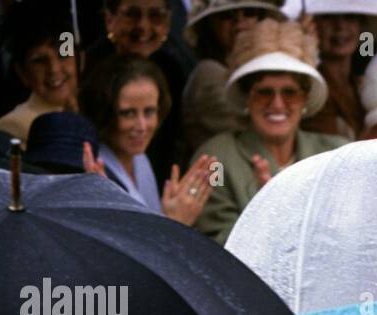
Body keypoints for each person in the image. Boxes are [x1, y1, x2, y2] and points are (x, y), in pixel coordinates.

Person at [192, 17, 346, 243]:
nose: (277, 104)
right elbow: (214, 244)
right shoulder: (216, 161)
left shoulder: (335, 154)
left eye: (289, 92)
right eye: (264, 92)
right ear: (246, 98)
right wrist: (267, 212)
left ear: (305, 98)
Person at [80, 53, 215, 224]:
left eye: (149, 112)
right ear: (104, 113)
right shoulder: (95, 171)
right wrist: (176, 223)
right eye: (128, 113)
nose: (142, 126)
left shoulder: (140, 159)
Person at [84, 0, 195, 183]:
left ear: (168, 22)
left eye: (155, 15)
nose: (143, 26)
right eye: (132, 14)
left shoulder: (177, 69)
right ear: (109, 18)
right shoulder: (86, 68)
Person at [180, 0, 283, 152]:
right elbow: (252, 138)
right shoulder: (208, 72)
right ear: (209, 25)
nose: (239, 22)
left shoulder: (250, 73)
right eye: (226, 15)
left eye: (249, 12)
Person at [300, 0, 377, 140]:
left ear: (361, 26)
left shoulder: (361, 85)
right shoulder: (309, 86)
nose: (340, 27)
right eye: (328, 17)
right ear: (312, 25)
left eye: (350, 17)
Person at [0, 3, 81, 143]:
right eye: (39, 61)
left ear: (80, 60)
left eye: (63, 55)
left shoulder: (101, 106)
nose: (54, 69)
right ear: (22, 72)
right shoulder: (14, 126)